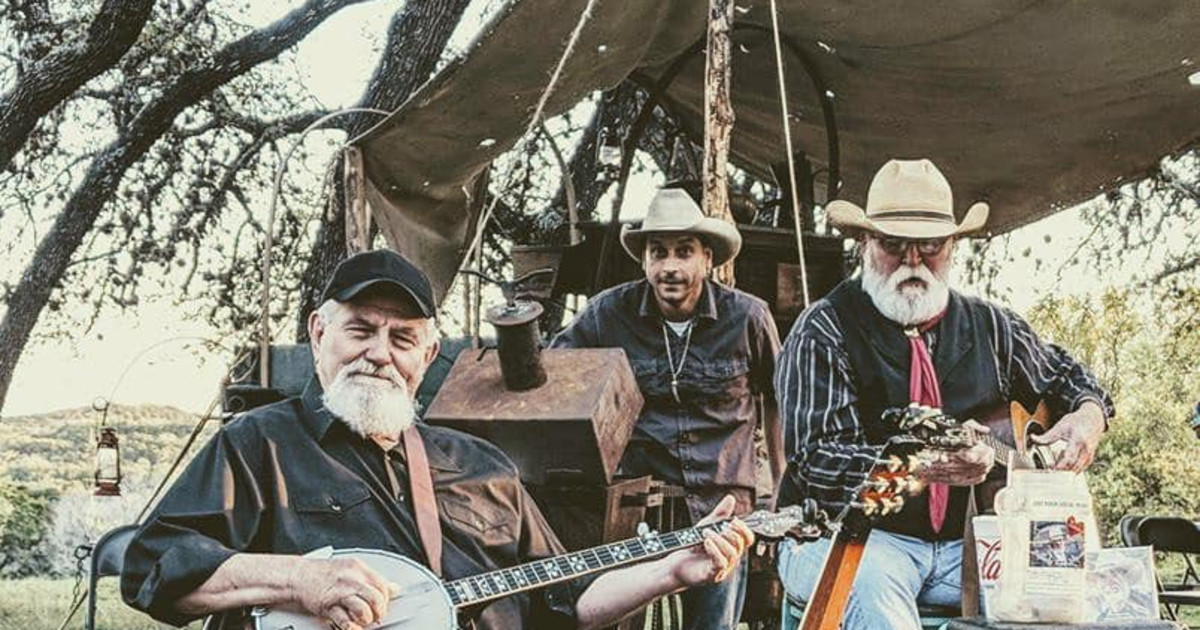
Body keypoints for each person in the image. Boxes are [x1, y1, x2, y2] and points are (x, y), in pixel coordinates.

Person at [121, 249, 754, 630]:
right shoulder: (261, 445)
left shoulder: (481, 467)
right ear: (318, 333)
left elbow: (567, 603)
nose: (377, 354)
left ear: (427, 355)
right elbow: (154, 566)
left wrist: (673, 569)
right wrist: (298, 581)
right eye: (359, 330)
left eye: (401, 339)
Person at [773, 159, 1114, 630]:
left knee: (1075, 594)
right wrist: (922, 466)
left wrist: (1088, 417)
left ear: (953, 246)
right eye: (893, 244)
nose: (912, 261)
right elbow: (819, 466)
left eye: (930, 245)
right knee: (876, 593)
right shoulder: (824, 329)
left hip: (968, 546)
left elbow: (1070, 379)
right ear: (865, 244)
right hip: (849, 538)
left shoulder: (994, 327)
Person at [552, 185, 782, 630]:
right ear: (644, 260)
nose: (670, 266)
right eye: (659, 253)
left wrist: (779, 488)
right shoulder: (605, 315)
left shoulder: (749, 317)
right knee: (631, 621)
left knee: (712, 624)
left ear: (708, 258)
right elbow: (558, 383)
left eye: (684, 252)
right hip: (637, 511)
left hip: (723, 507)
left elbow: (779, 400)